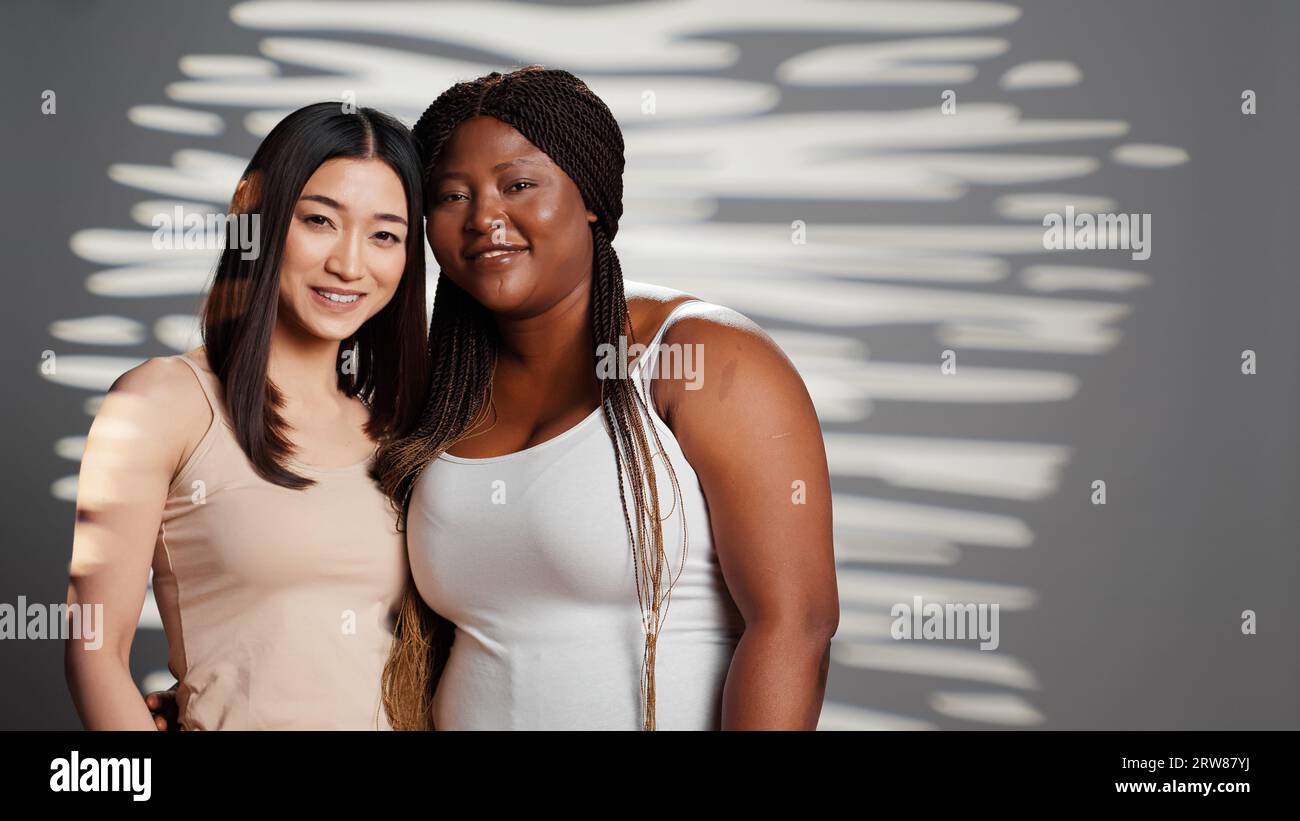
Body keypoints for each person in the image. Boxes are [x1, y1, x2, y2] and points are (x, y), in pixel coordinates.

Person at [374, 66, 840, 730]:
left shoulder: (699, 360)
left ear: (589, 196)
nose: (484, 218)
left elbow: (796, 622)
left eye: (519, 185)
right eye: (451, 195)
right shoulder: (441, 392)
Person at [65, 102, 430, 730]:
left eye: (385, 235)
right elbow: (94, 651)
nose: (350, 263)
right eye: (319, 220)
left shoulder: (395, 432)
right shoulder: (161, 403)